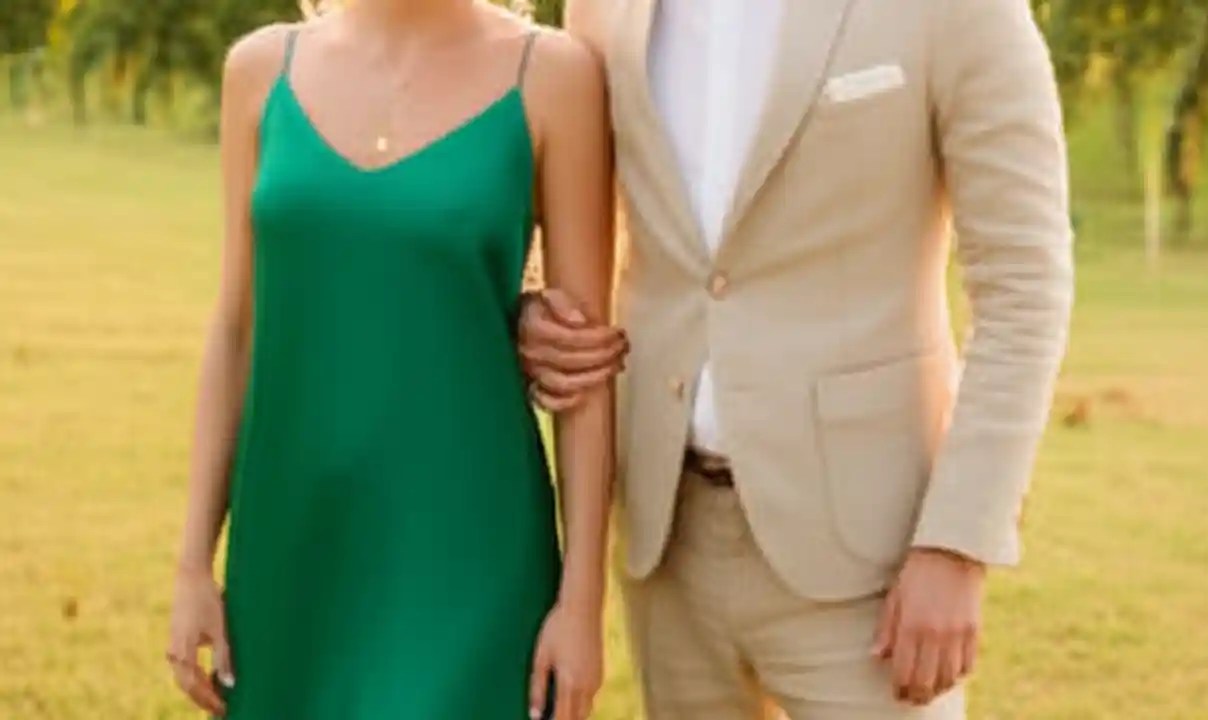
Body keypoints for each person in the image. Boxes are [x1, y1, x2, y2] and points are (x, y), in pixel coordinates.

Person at [519, 0, 1074, 717]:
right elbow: (581, 197)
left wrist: (958, 544)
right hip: (665, 536)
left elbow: (1025, 288)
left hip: (871, 563)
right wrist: (537, 306)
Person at [166, 1, 615, 718]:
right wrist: (193, 563)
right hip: (291, 557)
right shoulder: (258, 70)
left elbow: (586, 368)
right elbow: (236, 330)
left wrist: (580, 599)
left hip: (473, 560)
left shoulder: (554, 75)